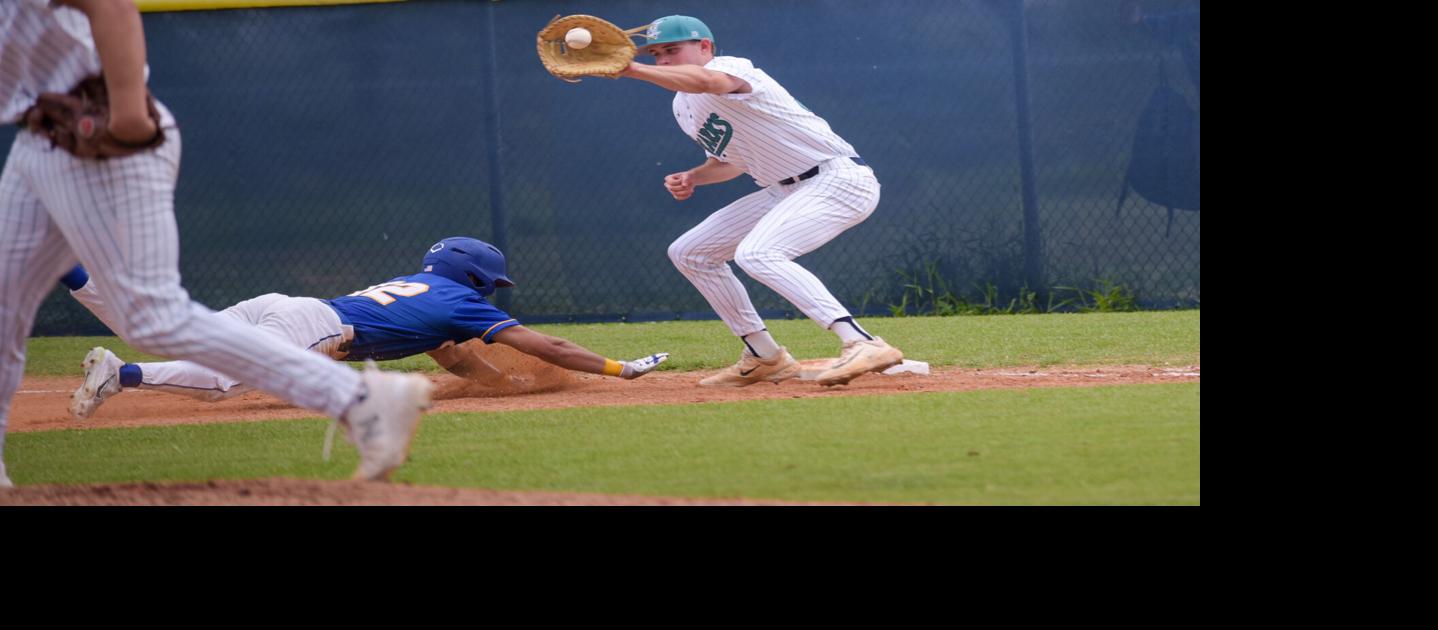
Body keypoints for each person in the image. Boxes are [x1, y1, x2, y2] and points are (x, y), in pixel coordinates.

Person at [1, 0, 430, 486]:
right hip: (36, 142)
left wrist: (126, 116)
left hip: (98, 133)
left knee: (152, 316)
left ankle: (357, 399)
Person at [61, 236, 668, 416]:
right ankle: (123, 375)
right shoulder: (463, 301)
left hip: (284, 306)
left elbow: (452, 357)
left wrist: (499, 385)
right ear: (478, 279)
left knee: (164, 326)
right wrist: (619, 368)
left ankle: (76, 274)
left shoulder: (425, 291)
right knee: (231, 377)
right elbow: (549, 344)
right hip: (314, 326)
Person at [615, 14, 903, 388]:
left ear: (705, 47)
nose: (664, 60)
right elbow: (730, 163)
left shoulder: (728, 67)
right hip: (783, 190)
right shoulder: (682, 107)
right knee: (690, 252)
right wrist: (695, 176)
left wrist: (632, 69)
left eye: (672, 50)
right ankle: (766, 356)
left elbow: (707, 81)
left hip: (837, 178)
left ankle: (861, 342)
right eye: (656, 54)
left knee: (758, 254)